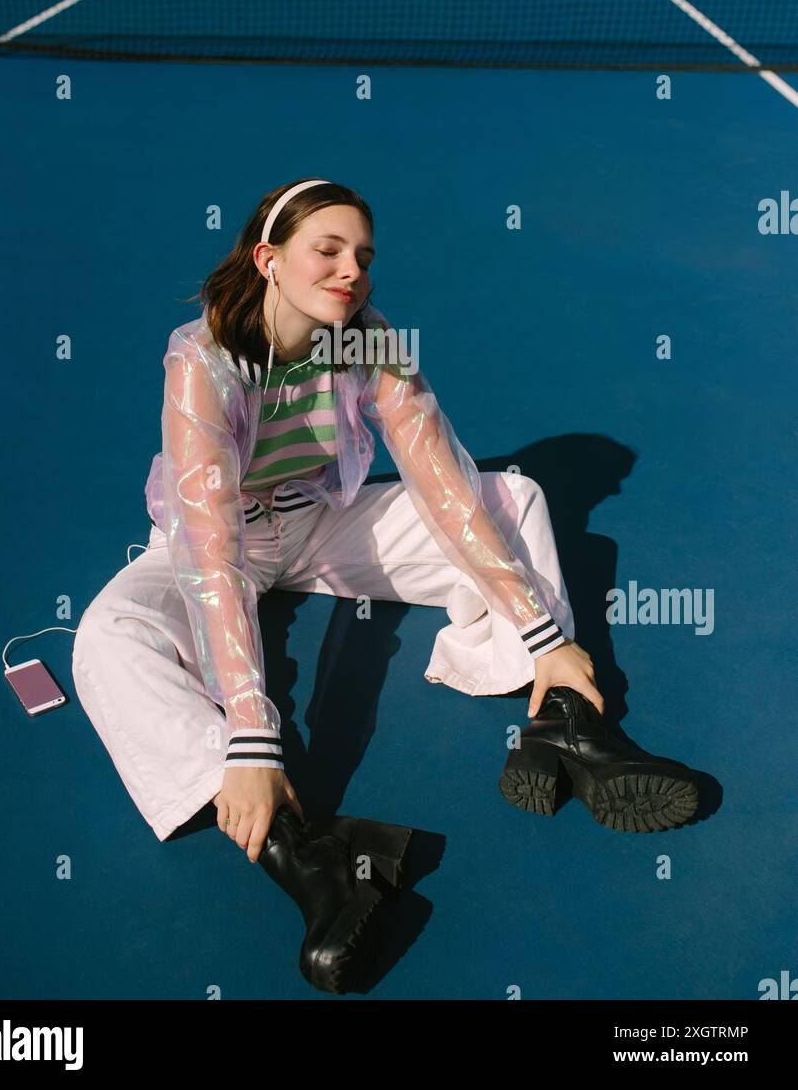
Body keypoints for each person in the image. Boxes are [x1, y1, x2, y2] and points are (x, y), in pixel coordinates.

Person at [72, 176, 697, 993]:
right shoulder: (202, 361)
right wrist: (252, 739)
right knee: (107, 638)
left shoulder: (366, 340)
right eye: (326, 251)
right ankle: (314, 860)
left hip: (321, 524)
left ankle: (564, 718)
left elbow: (441, 482)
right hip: (209, 543)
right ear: (269, 259)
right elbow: (209, 553)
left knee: (513, 497)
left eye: (362, 257)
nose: (350, 271)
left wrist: (547, 635)